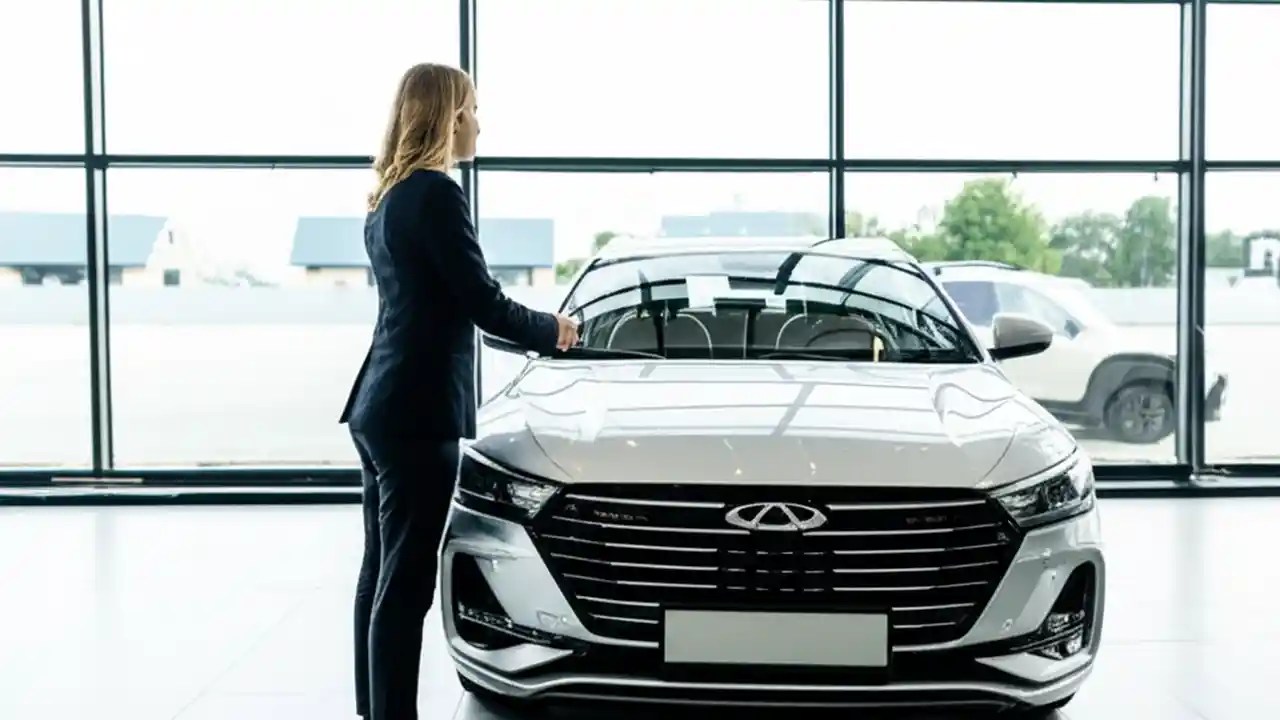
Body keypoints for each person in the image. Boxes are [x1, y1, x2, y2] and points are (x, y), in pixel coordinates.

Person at [338, 63, 579, 720]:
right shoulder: (437, 193)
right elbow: (481, 300)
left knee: (379, 574)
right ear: (447, 117)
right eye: (471, 109)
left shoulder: (387, 199)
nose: (479, 122)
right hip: (416, 412)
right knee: (407, 583)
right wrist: (553, 330)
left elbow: (434, 302)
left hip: (378, 406)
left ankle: (375, 710)